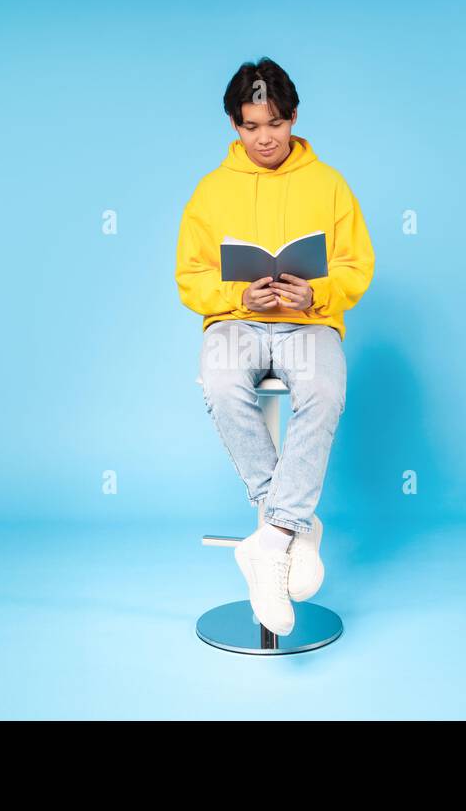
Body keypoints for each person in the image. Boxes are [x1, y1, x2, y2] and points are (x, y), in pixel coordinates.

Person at [175, 57, 375, 635]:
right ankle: (288, 528)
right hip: (236, 322)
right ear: (234, 126)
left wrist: (317, 292)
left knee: (325, 390)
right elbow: (189, 276)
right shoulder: (210, 191)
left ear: (293, 118)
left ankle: (271, 539)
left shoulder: (329, 183)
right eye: (251, 126)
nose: (265, 138)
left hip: (311, 323)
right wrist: (241, 295)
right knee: (218, 381)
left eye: (276, 123)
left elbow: (357, 265)